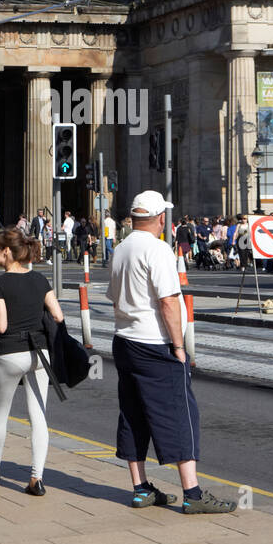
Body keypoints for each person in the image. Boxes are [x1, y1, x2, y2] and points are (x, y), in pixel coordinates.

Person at [107, 191, 236, 514]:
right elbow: (168, 301)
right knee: (180, 413)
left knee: (133, 412)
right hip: (155, 343)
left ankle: (140, 488)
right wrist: (179, 346)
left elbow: (114, 296)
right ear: (160, 218)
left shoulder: (121, 249)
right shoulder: (158, 249)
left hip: (124, 340)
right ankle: (192, 493)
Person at [0, 229, 65, 496]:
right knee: (38, 415)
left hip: (11, 352)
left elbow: (1, 324)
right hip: (40, 353)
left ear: (6, 252)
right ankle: (36, 478)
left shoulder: (0, 283)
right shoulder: (40, 279)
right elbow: (58, 315)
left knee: (1, 413)